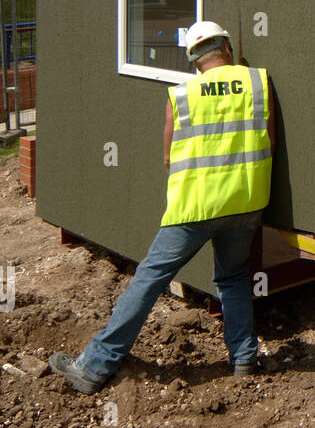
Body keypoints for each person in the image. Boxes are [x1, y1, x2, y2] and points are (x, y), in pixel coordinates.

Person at [50, 21, 275, 393]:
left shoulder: (182, 95)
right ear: (228, 49)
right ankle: (244, 359)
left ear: (194, 60)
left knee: (150, 279)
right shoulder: (257, 83)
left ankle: (93, 367)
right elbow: (272, 142)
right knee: (233, 278)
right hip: (248, 202)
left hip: (194, 209)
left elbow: (169, 159)